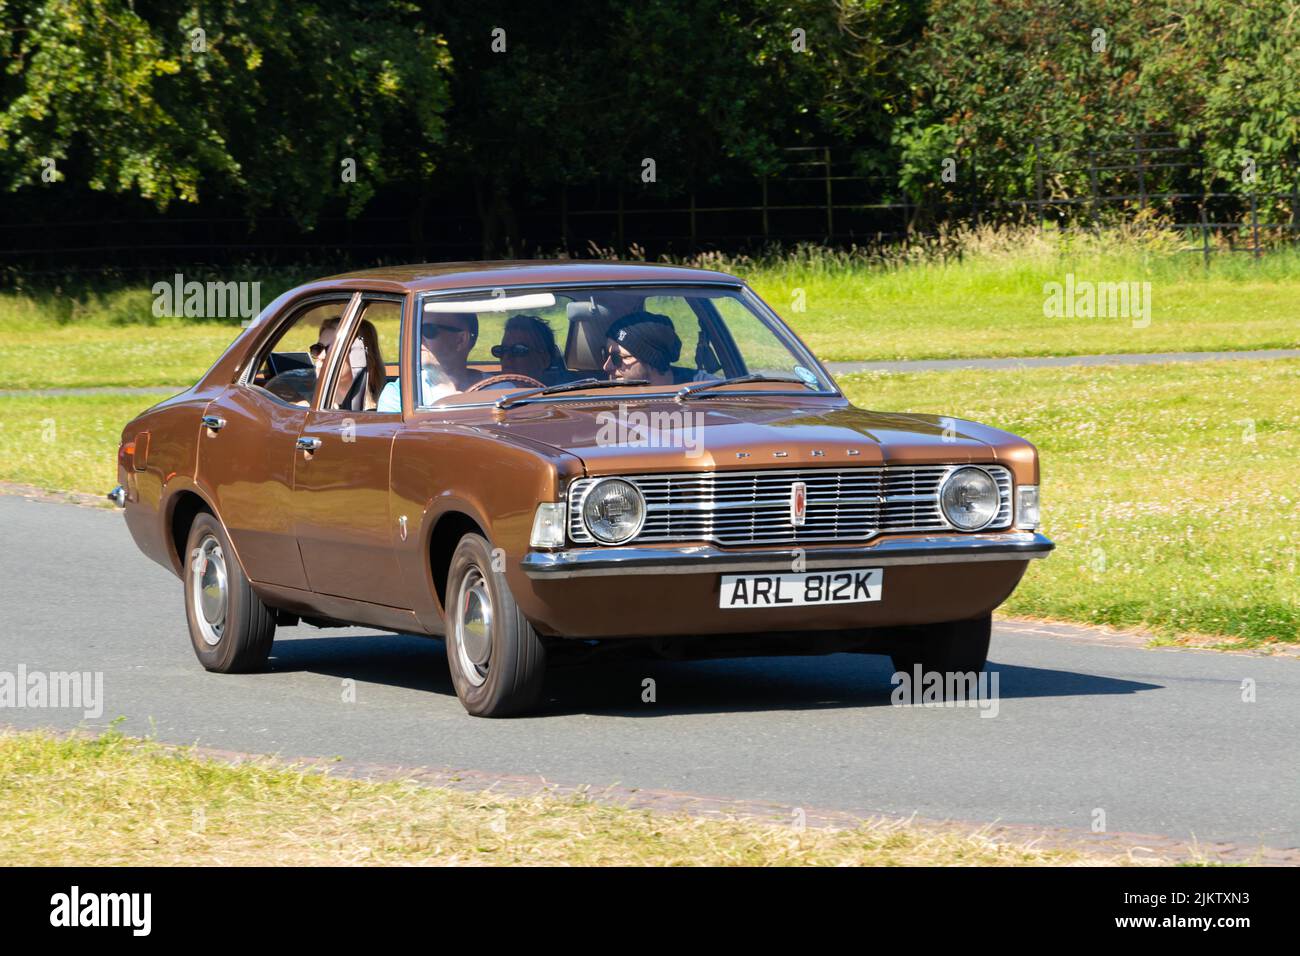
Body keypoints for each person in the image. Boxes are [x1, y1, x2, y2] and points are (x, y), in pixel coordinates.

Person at [377, 311, 483, 411]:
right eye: (416, 330)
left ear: (461, 340)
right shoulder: (400, 394)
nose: (417, 338)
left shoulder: (496, 389)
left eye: (428, 330)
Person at [602, 311, 682, 386]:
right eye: (606, 355)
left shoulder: (691, 392)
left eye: (619, 358)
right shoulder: (599, 396)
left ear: (654, 362)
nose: (607, 367)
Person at [491, 314, 566, 381]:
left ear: (544, 359)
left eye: (518, 350)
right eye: (501, 350)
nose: (506, 357)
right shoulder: (487, 391)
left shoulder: (561, 393)